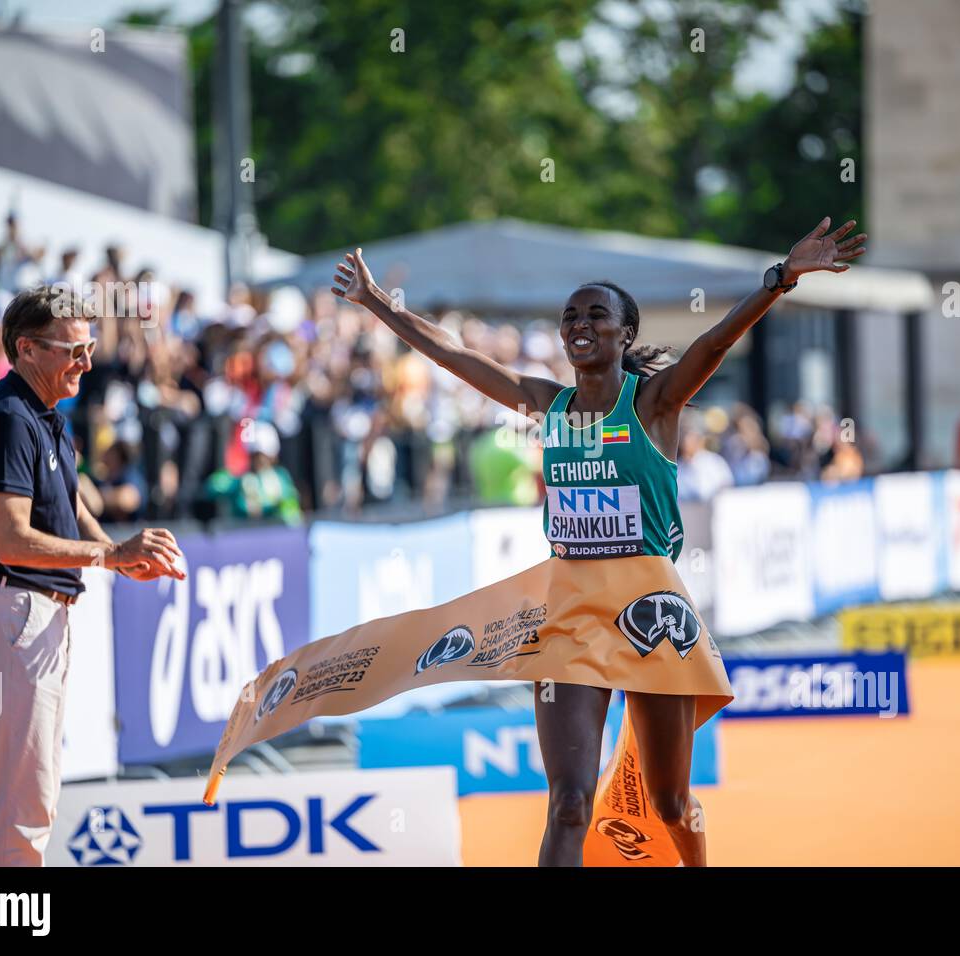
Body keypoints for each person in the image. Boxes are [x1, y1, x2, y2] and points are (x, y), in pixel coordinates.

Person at [332, 216, 867, 866]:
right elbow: (452, 353)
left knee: (669, 802)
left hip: (651, 615)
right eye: (569, 317)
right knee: (569, 803)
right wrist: (376, 300)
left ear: (626, 334)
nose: (578, 325)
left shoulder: (655, 405)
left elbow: (715, 342)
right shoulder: (545, 404)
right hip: (571, 618)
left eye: (594, 315)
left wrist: (780, 280)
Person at [0, 285, 187, 866]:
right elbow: (10, 540)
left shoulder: (43, 413)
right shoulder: (10, 416)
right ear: (26, 349)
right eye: (72, 350)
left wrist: (115, 551)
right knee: (24, 800)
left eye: (89, 347)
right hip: (12, 609)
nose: (86, 361)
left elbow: (70, 505)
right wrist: (110, 556)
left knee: (30, 795)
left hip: (27, 612)